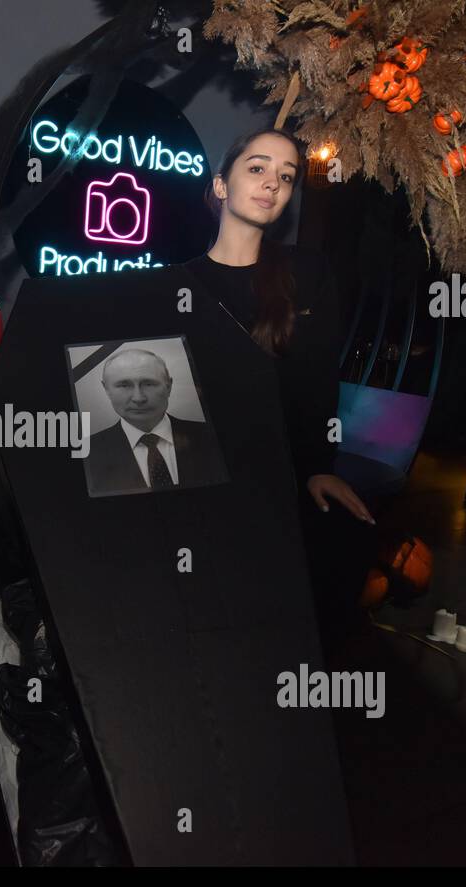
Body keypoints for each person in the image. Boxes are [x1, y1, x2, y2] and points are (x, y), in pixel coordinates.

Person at [183, 126, 377, 640]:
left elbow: (316, 382)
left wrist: (318, 469)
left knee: (340, 545)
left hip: (280, 471)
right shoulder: (178, 284)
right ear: (221, 185)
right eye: (257, 168)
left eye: (286, 177)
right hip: (202, 478)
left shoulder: (306, 272)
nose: (272, 183)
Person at [84, 347, 224, 495]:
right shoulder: (87, 453)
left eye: (149, 384)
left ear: (168, 386)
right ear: (106, 389)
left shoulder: (210, 435)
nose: (139, 398)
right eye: (124, 385)